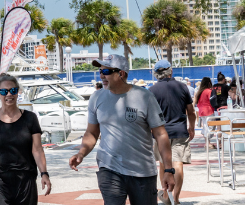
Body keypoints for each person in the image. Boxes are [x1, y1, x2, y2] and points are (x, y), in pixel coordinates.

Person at [69, 54, 175, 204]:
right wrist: (81, 153)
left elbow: (161, 134)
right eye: (100, 71)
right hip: (109, 169)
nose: (101, 76)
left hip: (142, 171)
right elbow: (92, 132)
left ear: (121, 73)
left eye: (106, 71)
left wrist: (168, 170)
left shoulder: (145, 96)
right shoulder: (96, 98)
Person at [0, 74, 51, 204]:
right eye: (4, 91)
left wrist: (44, 173)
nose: (9, 94)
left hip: (25, 178)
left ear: (17, 92)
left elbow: (37, 149)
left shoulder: (30, 118)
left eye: (13, 90)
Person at [149, 60, 197, 205]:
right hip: (179, 131)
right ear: (171, 71)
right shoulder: (182, 87)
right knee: (178, 163)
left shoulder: (152, 90)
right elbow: (191, 111)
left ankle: (166, 196)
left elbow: (148, 115)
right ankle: (175, 198)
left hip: (159, 133)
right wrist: (192, 127)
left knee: (163, 164)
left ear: (156, 74)